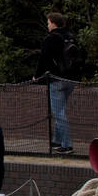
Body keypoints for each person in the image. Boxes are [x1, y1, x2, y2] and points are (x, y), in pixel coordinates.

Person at [37, 12, 76, 154]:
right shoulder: (70, 36)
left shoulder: (51, 38)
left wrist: (37, 76)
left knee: (59, 112)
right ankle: (57, 141)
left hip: (56, 79)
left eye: (48, 22)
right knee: (61, 109)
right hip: (71, 79)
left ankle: (67, 145)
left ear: (53, 23)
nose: (47, 25)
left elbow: (43, 58)